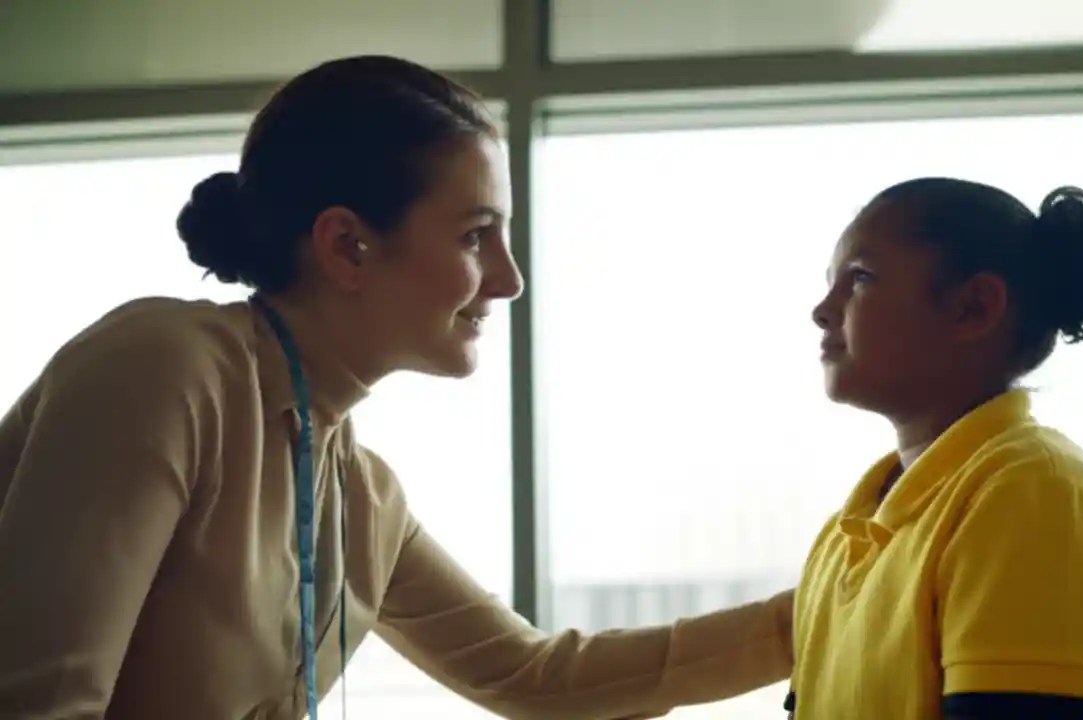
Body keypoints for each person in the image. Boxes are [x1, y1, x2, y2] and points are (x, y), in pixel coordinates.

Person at [0, 55, 793, 720]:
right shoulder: (166, 367)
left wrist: (825, 610)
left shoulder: (361, 494)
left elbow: (537, 675)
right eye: (476, 236)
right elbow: (39, 704)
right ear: (347, 245)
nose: (510, 280)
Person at [787, 178, 1083, 719]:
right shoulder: (843, 539)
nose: (822, 309)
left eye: (860, 278)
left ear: (973, 308)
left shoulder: (1036, 496)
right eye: (830, 283)